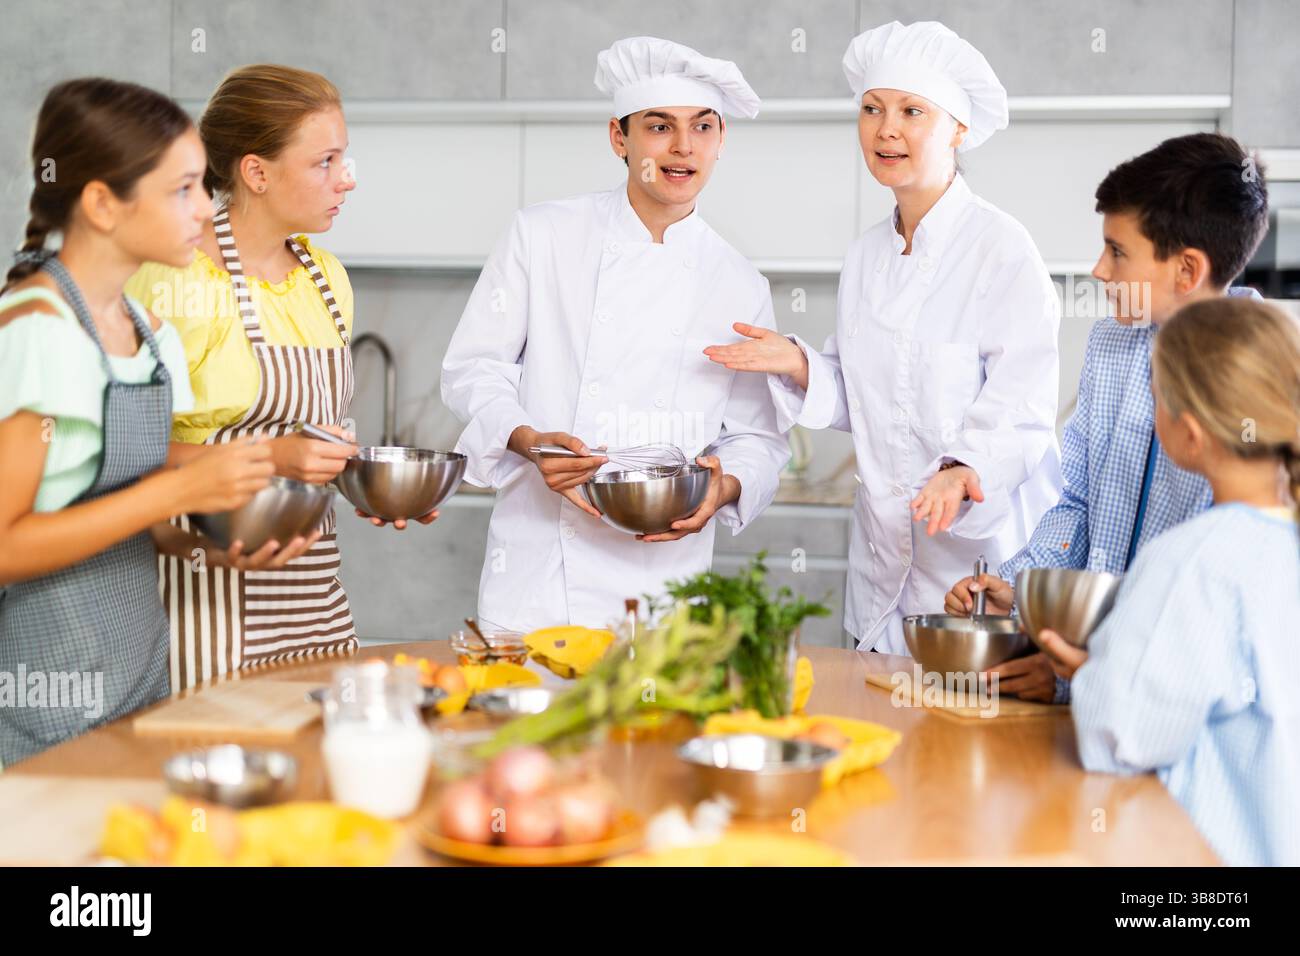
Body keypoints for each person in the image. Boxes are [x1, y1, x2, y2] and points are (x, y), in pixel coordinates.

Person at [705, 21, 1061, 655]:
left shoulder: (1002, 250)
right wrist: (802, 365)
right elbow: (865, 401)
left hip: (973, 573)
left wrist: (962, 470)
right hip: (879, 571)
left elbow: (1022, 411)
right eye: (871, 110)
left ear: (959, 128)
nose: (885, 128)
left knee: (966, 743)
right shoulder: (866, 255)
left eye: (911, 111)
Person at [440, 36, 789, 632]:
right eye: (659, 126)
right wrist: (530, 441)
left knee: (653, 724)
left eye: (703, 127)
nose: (683, 147)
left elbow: (759, 437)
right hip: (540, 573)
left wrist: (724, 486)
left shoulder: (738, 280)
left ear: (721, 141)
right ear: (619, 138)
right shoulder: (542, 236)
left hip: (666, 581)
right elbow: (474, 371)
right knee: (523, 722)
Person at [0, 78, 275, 766]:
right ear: (101, 203)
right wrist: (178, 492)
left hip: (140, 673)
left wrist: (203, 546)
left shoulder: (150, 334)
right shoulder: (38, 333)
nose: (205, 215)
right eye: (181, 190)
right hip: (46, 689)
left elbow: (114, 505)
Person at [945, 133, 1270, 702]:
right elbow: (1080, 505)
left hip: (1165, 699)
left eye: (1118, 251)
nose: (1099, 270)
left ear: (1186, 270)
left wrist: (1088, 675)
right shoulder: (1111, 348)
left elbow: (1219, 588)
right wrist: (1024, 592)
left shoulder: (1259, 377)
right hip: (1094, 683)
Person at [127, 65, 399, 691]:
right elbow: (118, 454)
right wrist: (273, 453)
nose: (345, 180)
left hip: (313, 593)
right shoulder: (172, 277)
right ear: (256, 172)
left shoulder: (326, 277)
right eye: (324, 162)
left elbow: (314, 446)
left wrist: (372, 488)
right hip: (203, 588)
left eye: (345, 159)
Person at [1034, 297, 1300, 867]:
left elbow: (1117, 737)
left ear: (1191, 432)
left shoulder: (1189, 561)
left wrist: (1089, 673)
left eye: (1156, 398)